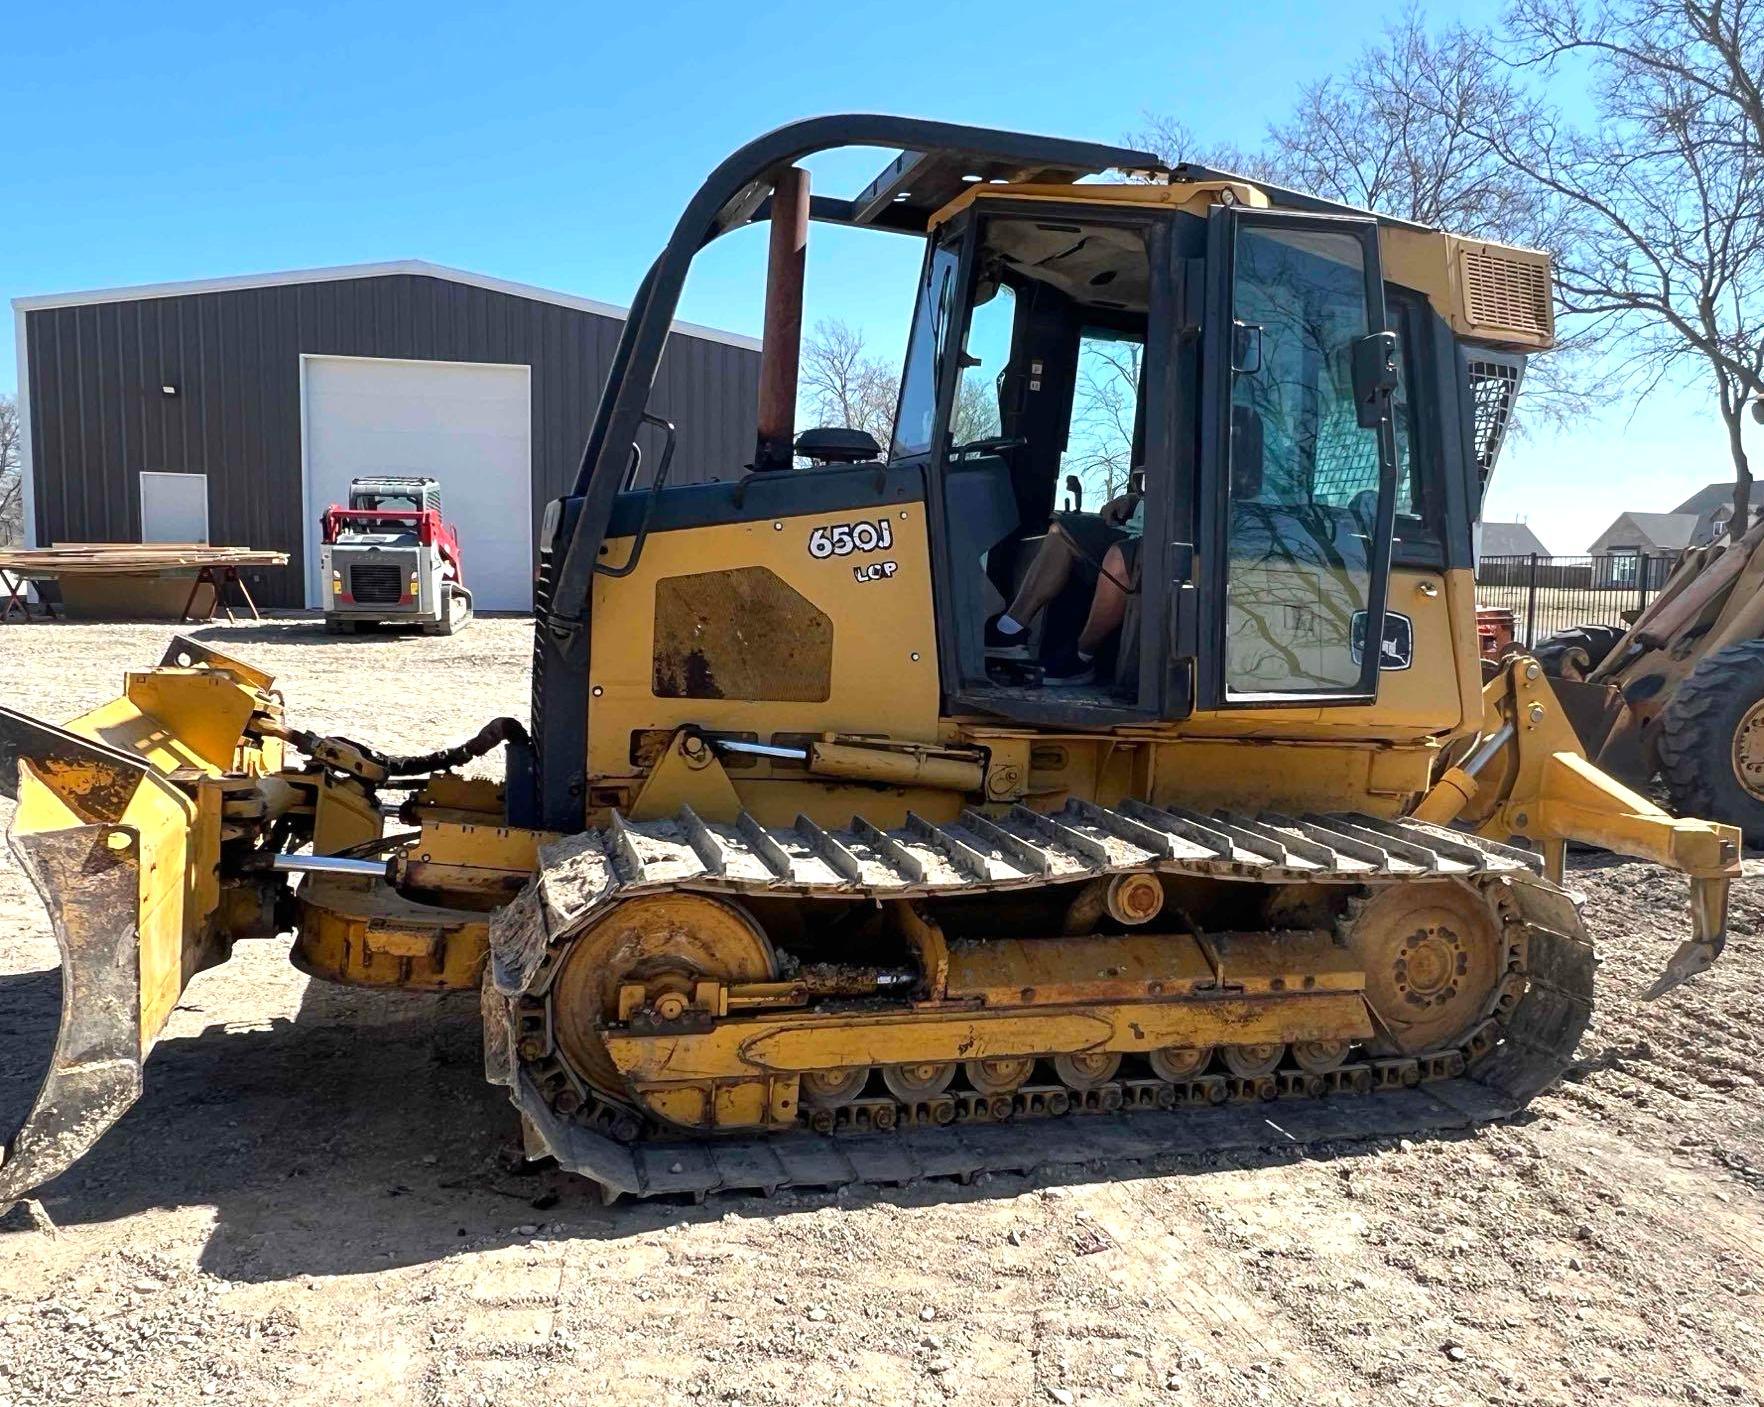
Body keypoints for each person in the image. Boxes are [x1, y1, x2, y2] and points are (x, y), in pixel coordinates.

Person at [984, 490, 1142, 687]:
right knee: (1062, 530)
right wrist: (1132, 500)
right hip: (1136, 526)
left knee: (1119, 557)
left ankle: (1082, 657)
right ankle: (1009, 630)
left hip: (1166, 535)